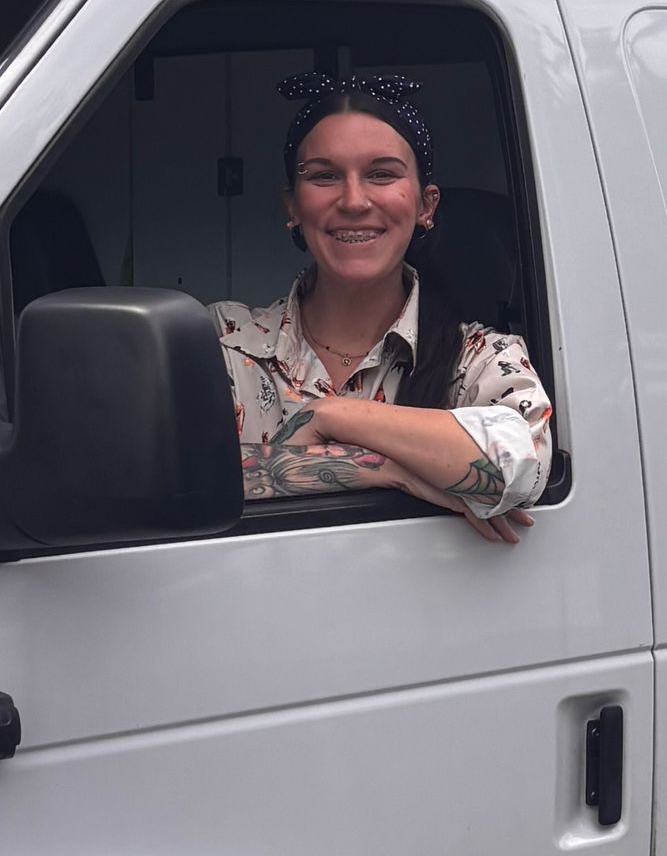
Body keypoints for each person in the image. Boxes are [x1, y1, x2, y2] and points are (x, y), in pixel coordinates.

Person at [212, 71, 552, 544]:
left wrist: (332, 417)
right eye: (325, 176)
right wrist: (390, 471)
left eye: (382, 174)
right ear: (293, 205)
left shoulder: (479, 356)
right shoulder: (220, 342)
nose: (354, 201)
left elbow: (523, 466)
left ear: (426, 205)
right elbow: (175, 483)